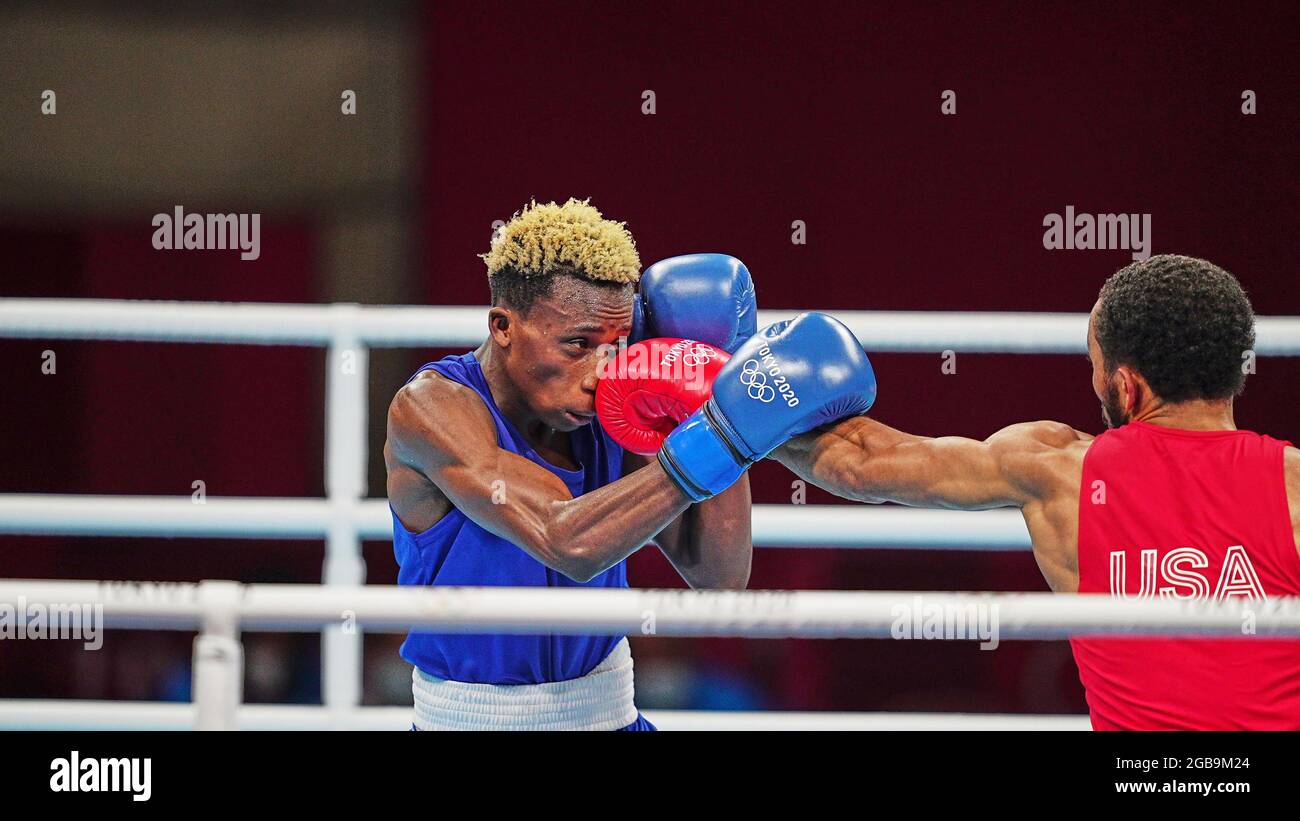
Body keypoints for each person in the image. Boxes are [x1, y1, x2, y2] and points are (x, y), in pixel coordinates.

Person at [384, 198, 875, 730]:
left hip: (611, 717)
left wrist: (711, 393)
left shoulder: (612, 405)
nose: (600, 373)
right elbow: (564, 540)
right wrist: (720, 436)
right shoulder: (431, 409)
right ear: (503, 326)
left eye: (616, 346)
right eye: (577, 344)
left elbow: (718, 575)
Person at [773, 254, 1300, 729]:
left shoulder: (1057, 469)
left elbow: (861, 464)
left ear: (1124, 385)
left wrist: (729, 408)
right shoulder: (1294, 483)